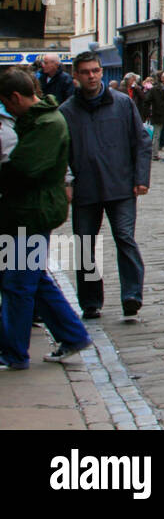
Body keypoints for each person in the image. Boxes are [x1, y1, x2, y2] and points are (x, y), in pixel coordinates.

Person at [0, 70, 94, 368]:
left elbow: (24, 169)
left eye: (6, 103)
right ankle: (72, 335)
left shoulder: (47, 124)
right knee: (34, 280)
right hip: (24, 212)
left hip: (32, 213)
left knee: (18, 285)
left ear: (15, 98)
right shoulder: (39, 121)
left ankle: (13, 353)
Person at [59, 51, 151, 321]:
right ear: (76, 75)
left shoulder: (122, 104)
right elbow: (61, 151)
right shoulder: (67, 111)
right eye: (86, 72)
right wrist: (66, 182)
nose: (92, 76)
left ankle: (132, 295)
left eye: (96, 71)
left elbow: (141, 142)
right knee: (85, 244)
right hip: (85, 188)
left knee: (125, 238)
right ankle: (90, 301)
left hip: (121, 185)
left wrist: (141, 177)